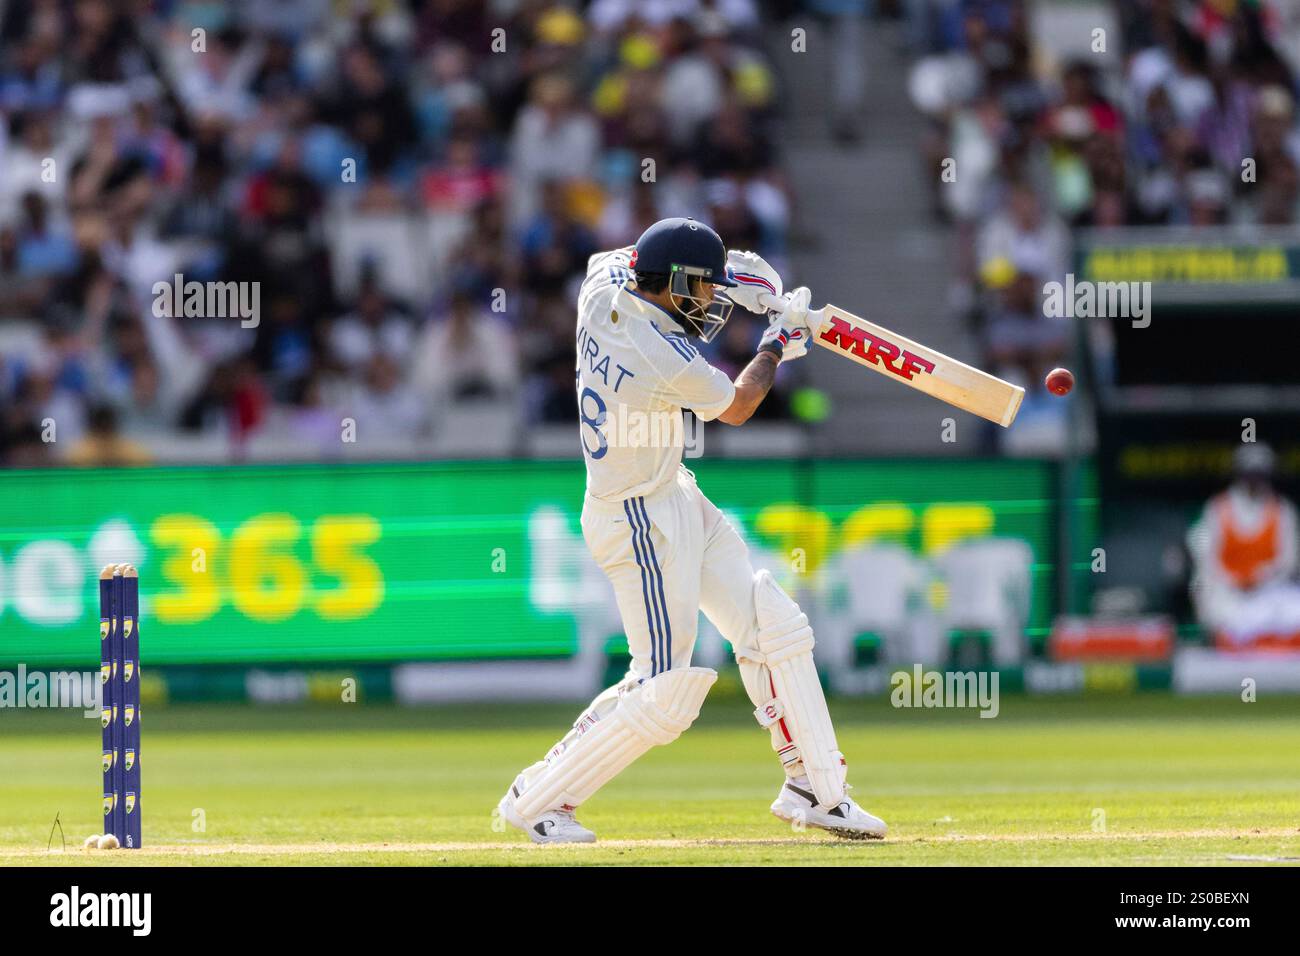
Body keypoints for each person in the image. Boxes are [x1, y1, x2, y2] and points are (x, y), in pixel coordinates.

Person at [496, 217, 887, 843]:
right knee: (664, 687)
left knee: (773, 625)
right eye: (703, 291)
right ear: (674, 284)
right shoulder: (661, 353)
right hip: (637, 520)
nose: (709, 305)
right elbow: (736, 405)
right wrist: (777, 339)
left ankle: (817, 789)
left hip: (673, 491)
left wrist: (731, 275)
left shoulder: (601, 286)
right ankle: (540, 797)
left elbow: (619, 254)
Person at [1187, 443, 1300, 648]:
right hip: (1227, 592)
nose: (1254, 480)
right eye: (1249, 474)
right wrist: (1235, 581)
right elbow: (1205, 559)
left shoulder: (1283, 510)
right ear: (1239, 473)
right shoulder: (1216, 509)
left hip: (1268, 593)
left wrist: (1260, 578)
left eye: (1259, 474)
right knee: (1210, 597)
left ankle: (1268, 642)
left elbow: (1288, 561)